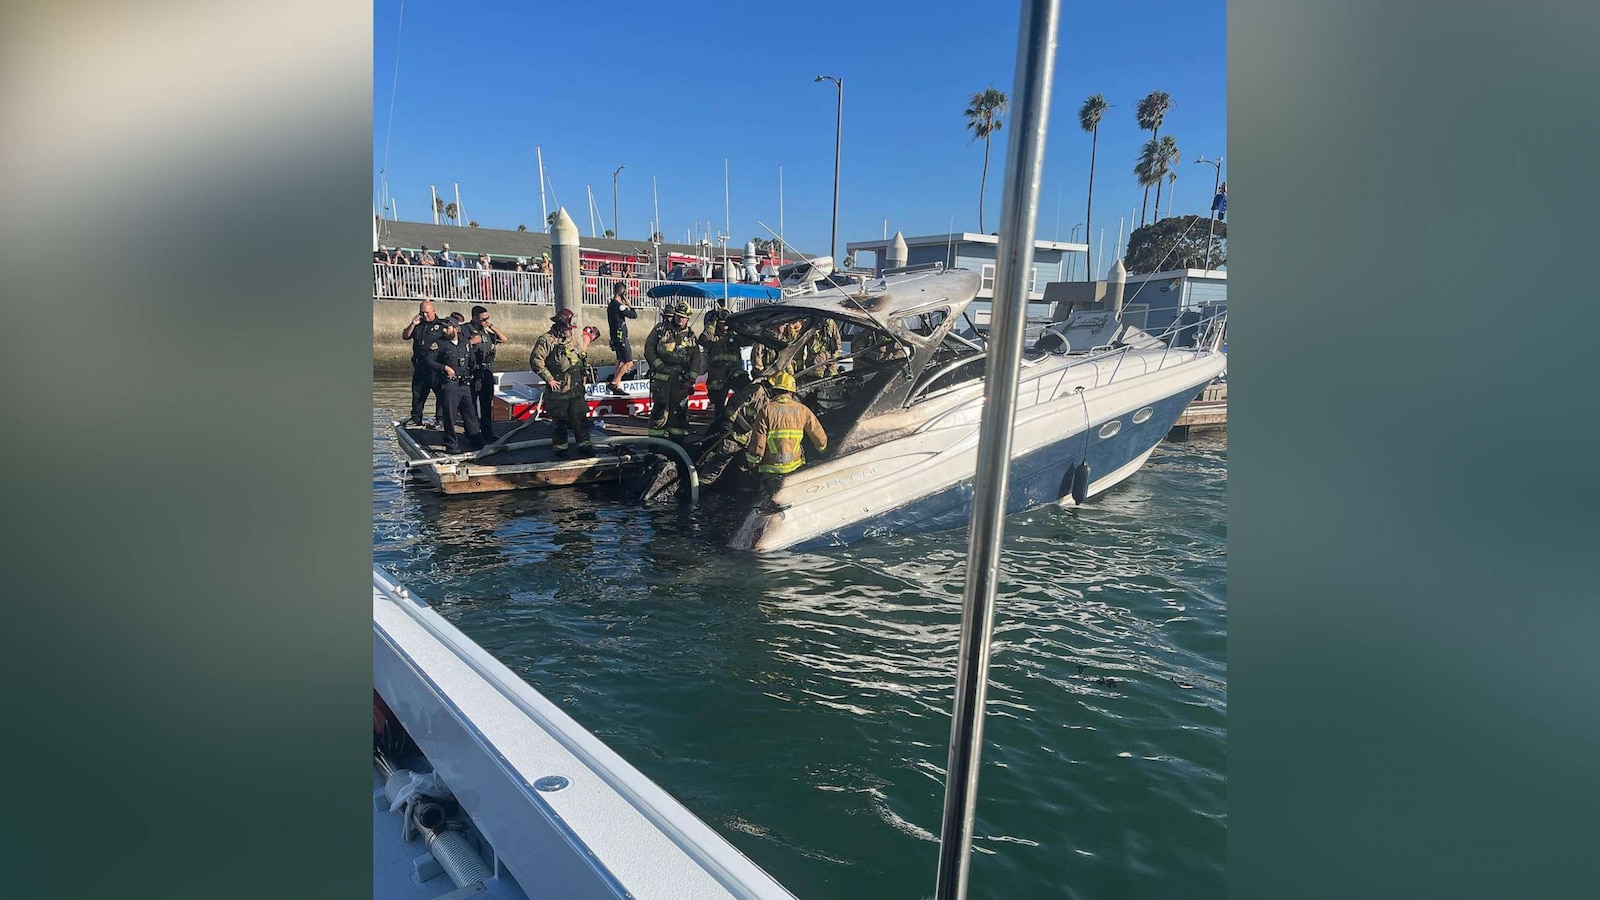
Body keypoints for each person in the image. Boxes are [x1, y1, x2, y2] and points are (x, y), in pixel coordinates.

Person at [529, 308, 597, 457]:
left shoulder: (571, 338)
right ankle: (561, 449)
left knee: (580, 419)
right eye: (567, 327)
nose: (569, 331)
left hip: (575, 389)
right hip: (559, 391)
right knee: (560, 422)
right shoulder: (546, 340)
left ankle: (585, 446)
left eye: (571, 328)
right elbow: (536, 361)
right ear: (559, 325)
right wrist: (550, 379)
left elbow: (577, 357)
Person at [744, 371, 827, 492]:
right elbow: (819, 437)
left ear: (776, 390)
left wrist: (753, 463)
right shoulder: (802, 410)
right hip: (795, 468)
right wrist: (822, 450)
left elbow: (758, 442)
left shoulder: (766, 410)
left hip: (771, 470)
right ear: (792, 392)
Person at [643, 299, 700, 438]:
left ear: (687, 319)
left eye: (684, 317)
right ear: (674, 315)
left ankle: (677, 442)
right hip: (661, 380)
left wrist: (691, 380)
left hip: (681, 381)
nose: (680, 319)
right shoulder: (660, 330)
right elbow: (649, 350)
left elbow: (696, 359)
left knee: (679, 411)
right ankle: (656, 443)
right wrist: (660, 366)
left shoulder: (691, 336)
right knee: (659, 410)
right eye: (678, 316)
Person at [425, 318, 484, 453]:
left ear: (456, 329)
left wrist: (478, 379)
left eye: (448, 328)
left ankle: (475, 439)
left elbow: (473, 363)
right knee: (450, 416)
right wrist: (444, 367)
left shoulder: (465, 344)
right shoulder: (439, 344)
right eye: (443, 328)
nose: (444, 330)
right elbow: (428, 360)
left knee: (470, 414)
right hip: (449, 384)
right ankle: (451, 445)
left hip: (465, 384)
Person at [401, 300, 449, 425]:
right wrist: (413, 324)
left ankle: (440, 419)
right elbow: (405, 336)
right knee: (418, 393)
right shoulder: (418, 324)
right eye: (422, 312)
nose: (424, 315)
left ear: (433, 311)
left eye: (427, 312)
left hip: (435, 366)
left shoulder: (442, 325)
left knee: (440, 393)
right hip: (420, 365)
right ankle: (416, 418)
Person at [462, 304, 506, 440]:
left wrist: (491, 326)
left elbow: (504, 339)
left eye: (488, 318)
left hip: (487, 370)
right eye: (483, 319)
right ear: (474, 318)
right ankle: (472, 433)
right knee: (472, 404)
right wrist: (471, 342)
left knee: (487, 403)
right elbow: (458, 347)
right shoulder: (465, 329)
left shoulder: (485, 331)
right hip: (473, 370)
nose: (485, 321)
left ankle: (487, 432)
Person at [698, 307, 742, 419]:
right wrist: (710, 324)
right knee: (718, 405)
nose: (725, 326)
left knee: (743, 393)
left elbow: (747, 340)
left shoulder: (735, 336)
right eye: (723, 323)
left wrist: (738, 325)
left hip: (734, 373)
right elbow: (703, 339)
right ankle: (718, 428)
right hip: (717, 375)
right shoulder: (712, 337)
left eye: (727, 323)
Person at [604, 281, 638, 396]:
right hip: (621, 337)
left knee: (621, 362)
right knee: (629, 363)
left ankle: (617, 386)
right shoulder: (619, 306)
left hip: (615, 337)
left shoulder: (611, 305)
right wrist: (630, 304)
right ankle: (613, 383)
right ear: (623, 293)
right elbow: (633, 315)